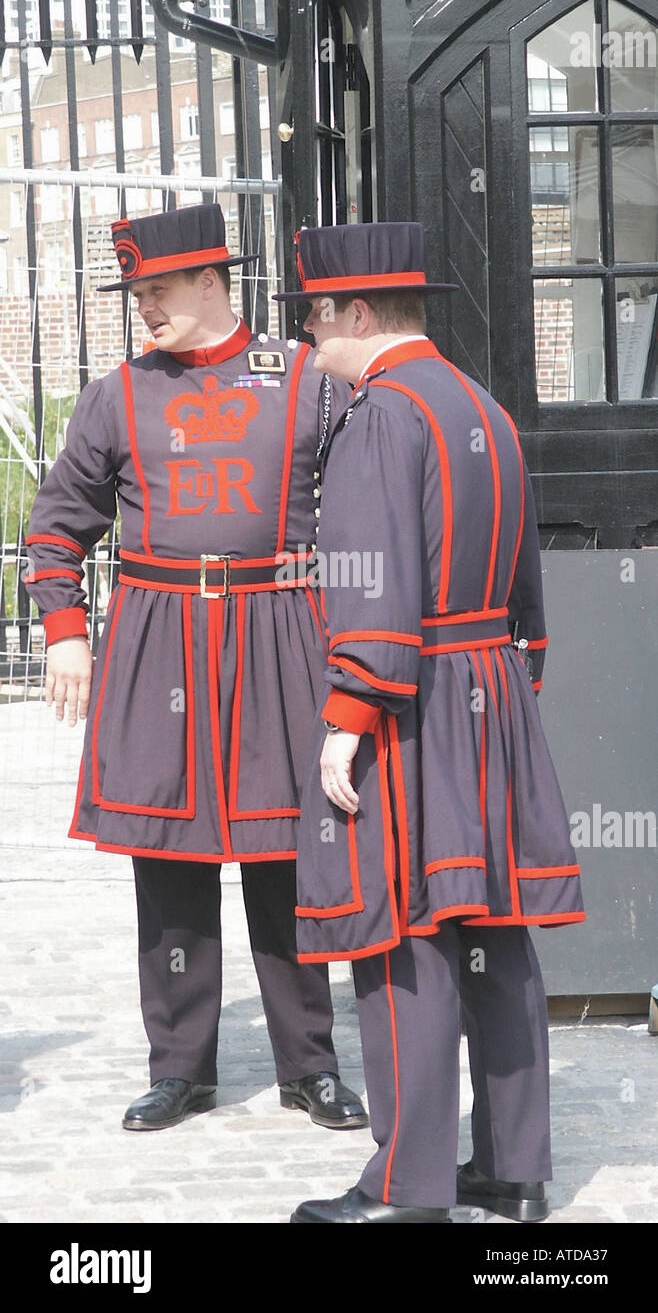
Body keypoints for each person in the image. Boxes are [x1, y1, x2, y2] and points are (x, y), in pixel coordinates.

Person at [23, 203, 367, 1134]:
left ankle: (310, 1065)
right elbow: (56, 525)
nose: (145, 308)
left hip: (279, 636)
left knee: (287, 854)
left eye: (159, 290)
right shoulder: (118, 396)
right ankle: (181, 1067)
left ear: (213, 282)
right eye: (136, 294)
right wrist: (65, 628)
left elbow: (376, 504)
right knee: (167, 858)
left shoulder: (307, 381)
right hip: (157, 640)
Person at [271, 221, 585, 1224]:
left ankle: (407, 1187)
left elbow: (374, 589)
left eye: (316, 320)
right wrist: (506, 690)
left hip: (410, 706)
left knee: (402, 938)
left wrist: (344, 719)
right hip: (490, 690)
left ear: (358, 313)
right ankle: (515, 1168)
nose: (309, 344)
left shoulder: (378, 415)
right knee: (493, 933)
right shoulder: (482, 408)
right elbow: (528, 599)